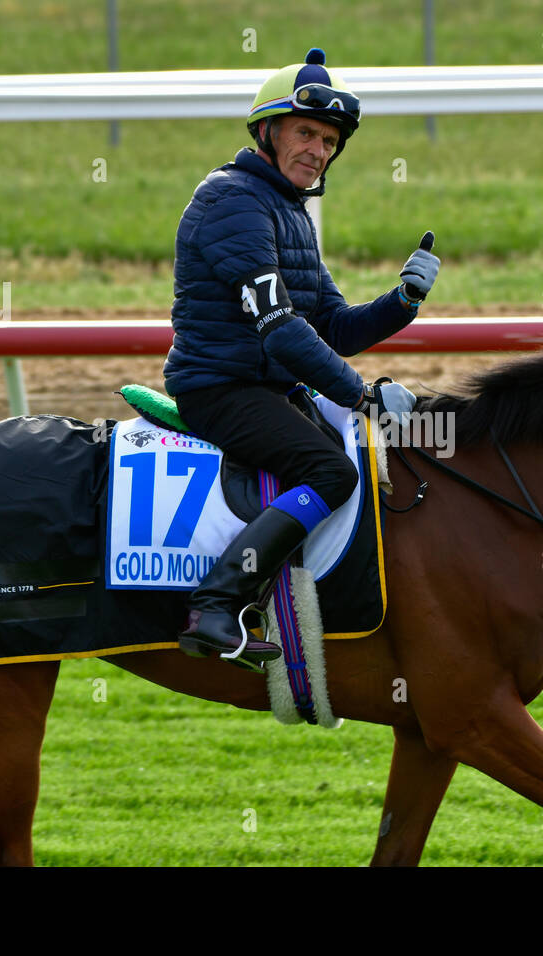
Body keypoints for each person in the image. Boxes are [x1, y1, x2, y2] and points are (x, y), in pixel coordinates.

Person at [164, 48, 440, 670]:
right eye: (306, 133)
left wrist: (403, 300)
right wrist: (359, 394)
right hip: (219, 389)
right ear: (268, 132)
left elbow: (334, 328)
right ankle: (215, 606)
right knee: (333, 474)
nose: (318, 149)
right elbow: (281, 331)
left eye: (329, 140)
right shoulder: (231, 202)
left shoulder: (289, 213)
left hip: (263, 388)